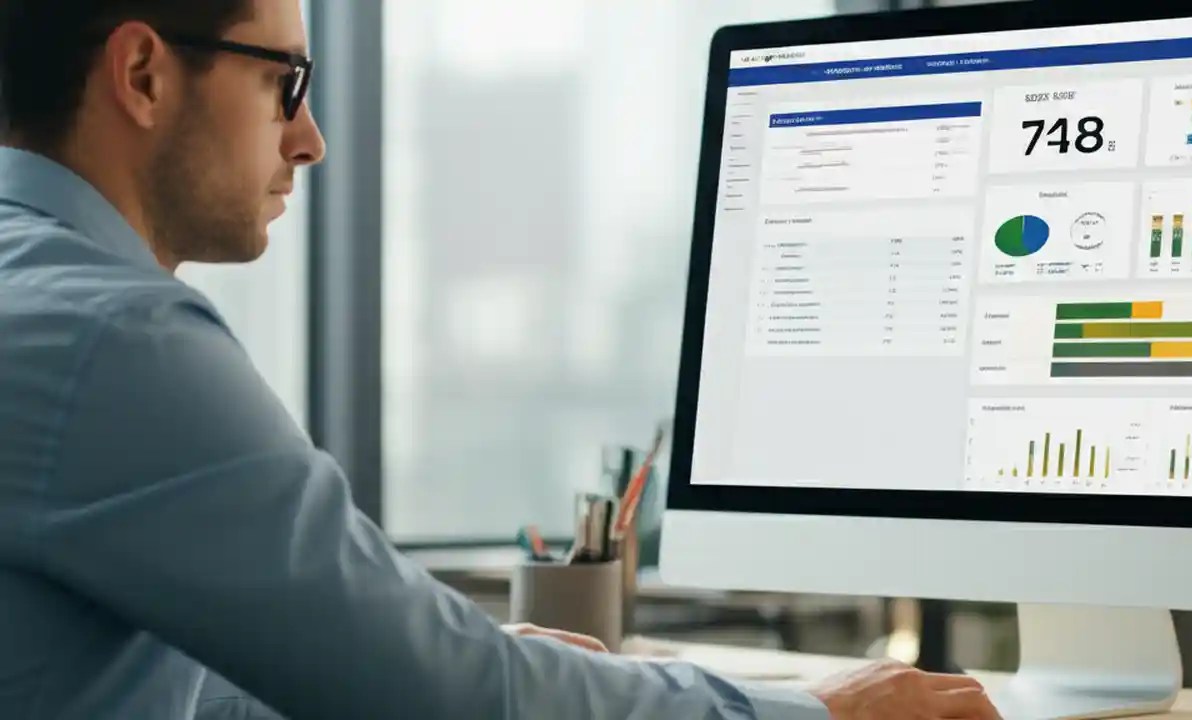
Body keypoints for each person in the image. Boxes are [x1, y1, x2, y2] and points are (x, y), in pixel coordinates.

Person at [0, 1, 1004, 718]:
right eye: (283, 81)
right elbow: (450, 702)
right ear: (142, 75)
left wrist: (438, 661)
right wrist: (813, 717)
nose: (308, 139)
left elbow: (116, 677)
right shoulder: (117, 340)